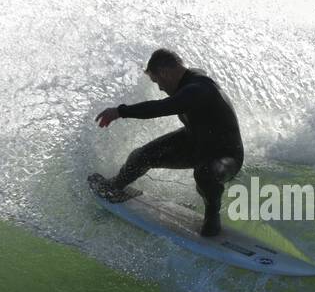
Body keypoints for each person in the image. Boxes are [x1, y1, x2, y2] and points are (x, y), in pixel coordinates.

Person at [94, 49, 244, 236]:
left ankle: (212, 218)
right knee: (142, 156)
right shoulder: (190, 81)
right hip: (193, 142)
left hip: (225, 155)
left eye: (157, 81)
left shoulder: (197, 89)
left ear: (165, 72)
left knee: (205, 174)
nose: (160, 88)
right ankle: (114, 186)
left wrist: (119, 111)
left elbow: (161, 107)